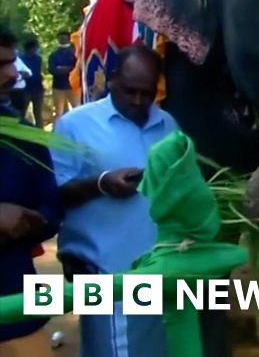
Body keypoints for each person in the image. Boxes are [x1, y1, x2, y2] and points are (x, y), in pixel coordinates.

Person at [51, 45, 178, 357]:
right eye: (129, 91)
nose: (138, 101)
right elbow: (54, 195)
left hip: (161, 272)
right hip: (105, 273)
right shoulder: (74, 126)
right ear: (111, 81)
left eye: (146, 93)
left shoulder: (169, 126)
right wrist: (100, 184)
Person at [0, 25, 63, 357]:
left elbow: (51, 207)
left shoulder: (24, 135)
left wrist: (32, 221)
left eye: (11, 63)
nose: (12, 74)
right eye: (0, 65)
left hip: (15, 305)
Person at [48, 31, 78, 119]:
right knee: (58, 112)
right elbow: (52, 70)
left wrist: (61, 69)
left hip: (73, 86)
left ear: (69, 39)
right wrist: (68, 69)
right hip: (58, 87)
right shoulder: (54, 55)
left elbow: (77, 68)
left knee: (77, 110)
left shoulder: (75, 53)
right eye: (60, 38)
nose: (62, 39)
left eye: (64, 37)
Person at [20, 38, 44, 127]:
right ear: (30, 49)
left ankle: (40, 131)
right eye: (35, 48)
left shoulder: (38, 59)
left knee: (38, 112)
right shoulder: (21, 59)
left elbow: (36, 73)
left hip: (37, 88)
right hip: (25, 89)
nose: (36, 50)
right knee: (22, 111)